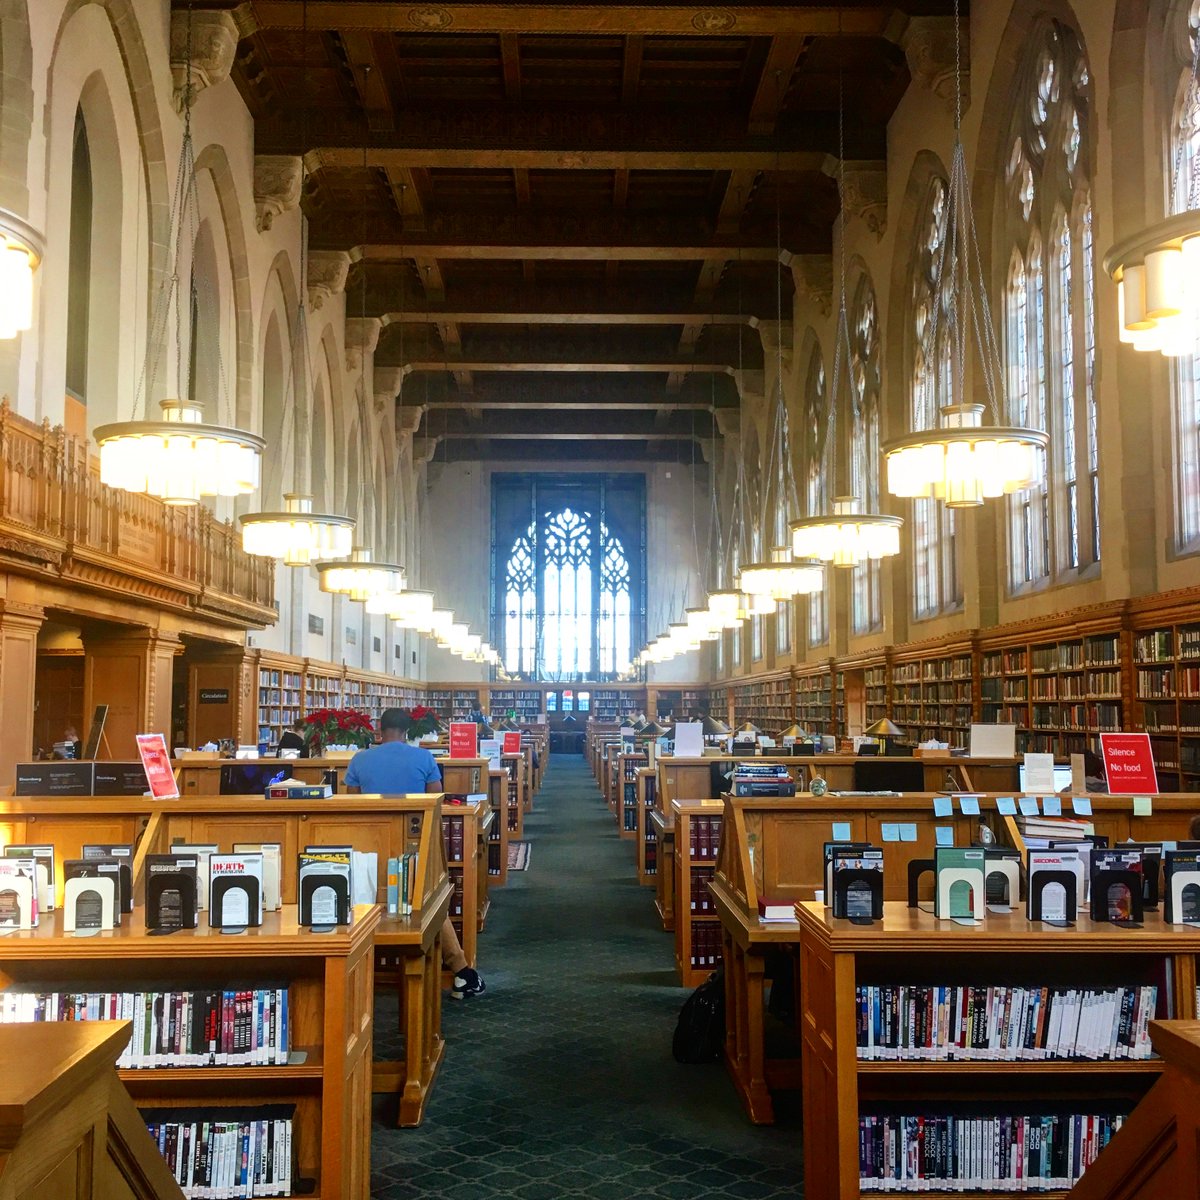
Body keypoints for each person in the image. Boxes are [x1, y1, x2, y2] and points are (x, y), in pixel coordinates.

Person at [345, 707, 487, 999]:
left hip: (369, 847)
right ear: (408, 731)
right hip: (414, 845)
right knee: (430, 902)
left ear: (378, 730)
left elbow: (352, 803)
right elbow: (436, 800)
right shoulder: (423, 758)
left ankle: (358, 968)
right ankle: (461, 972)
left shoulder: (360, 759)